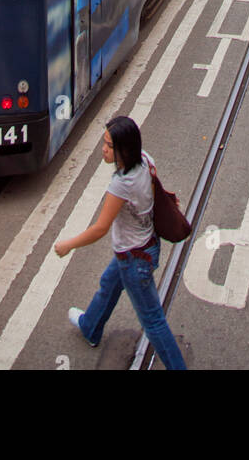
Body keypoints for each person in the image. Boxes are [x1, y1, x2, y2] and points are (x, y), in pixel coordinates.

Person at [56, 116, 187, 369]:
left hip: (134, 259)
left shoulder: (121, 184)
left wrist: (68, 245)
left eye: (108, 145)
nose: (103, 149)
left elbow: (100, 229)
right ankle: (90, 327)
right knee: (109, 283)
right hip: (143, 245)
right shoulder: (146, 161)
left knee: (153, 321)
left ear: (123, 150)